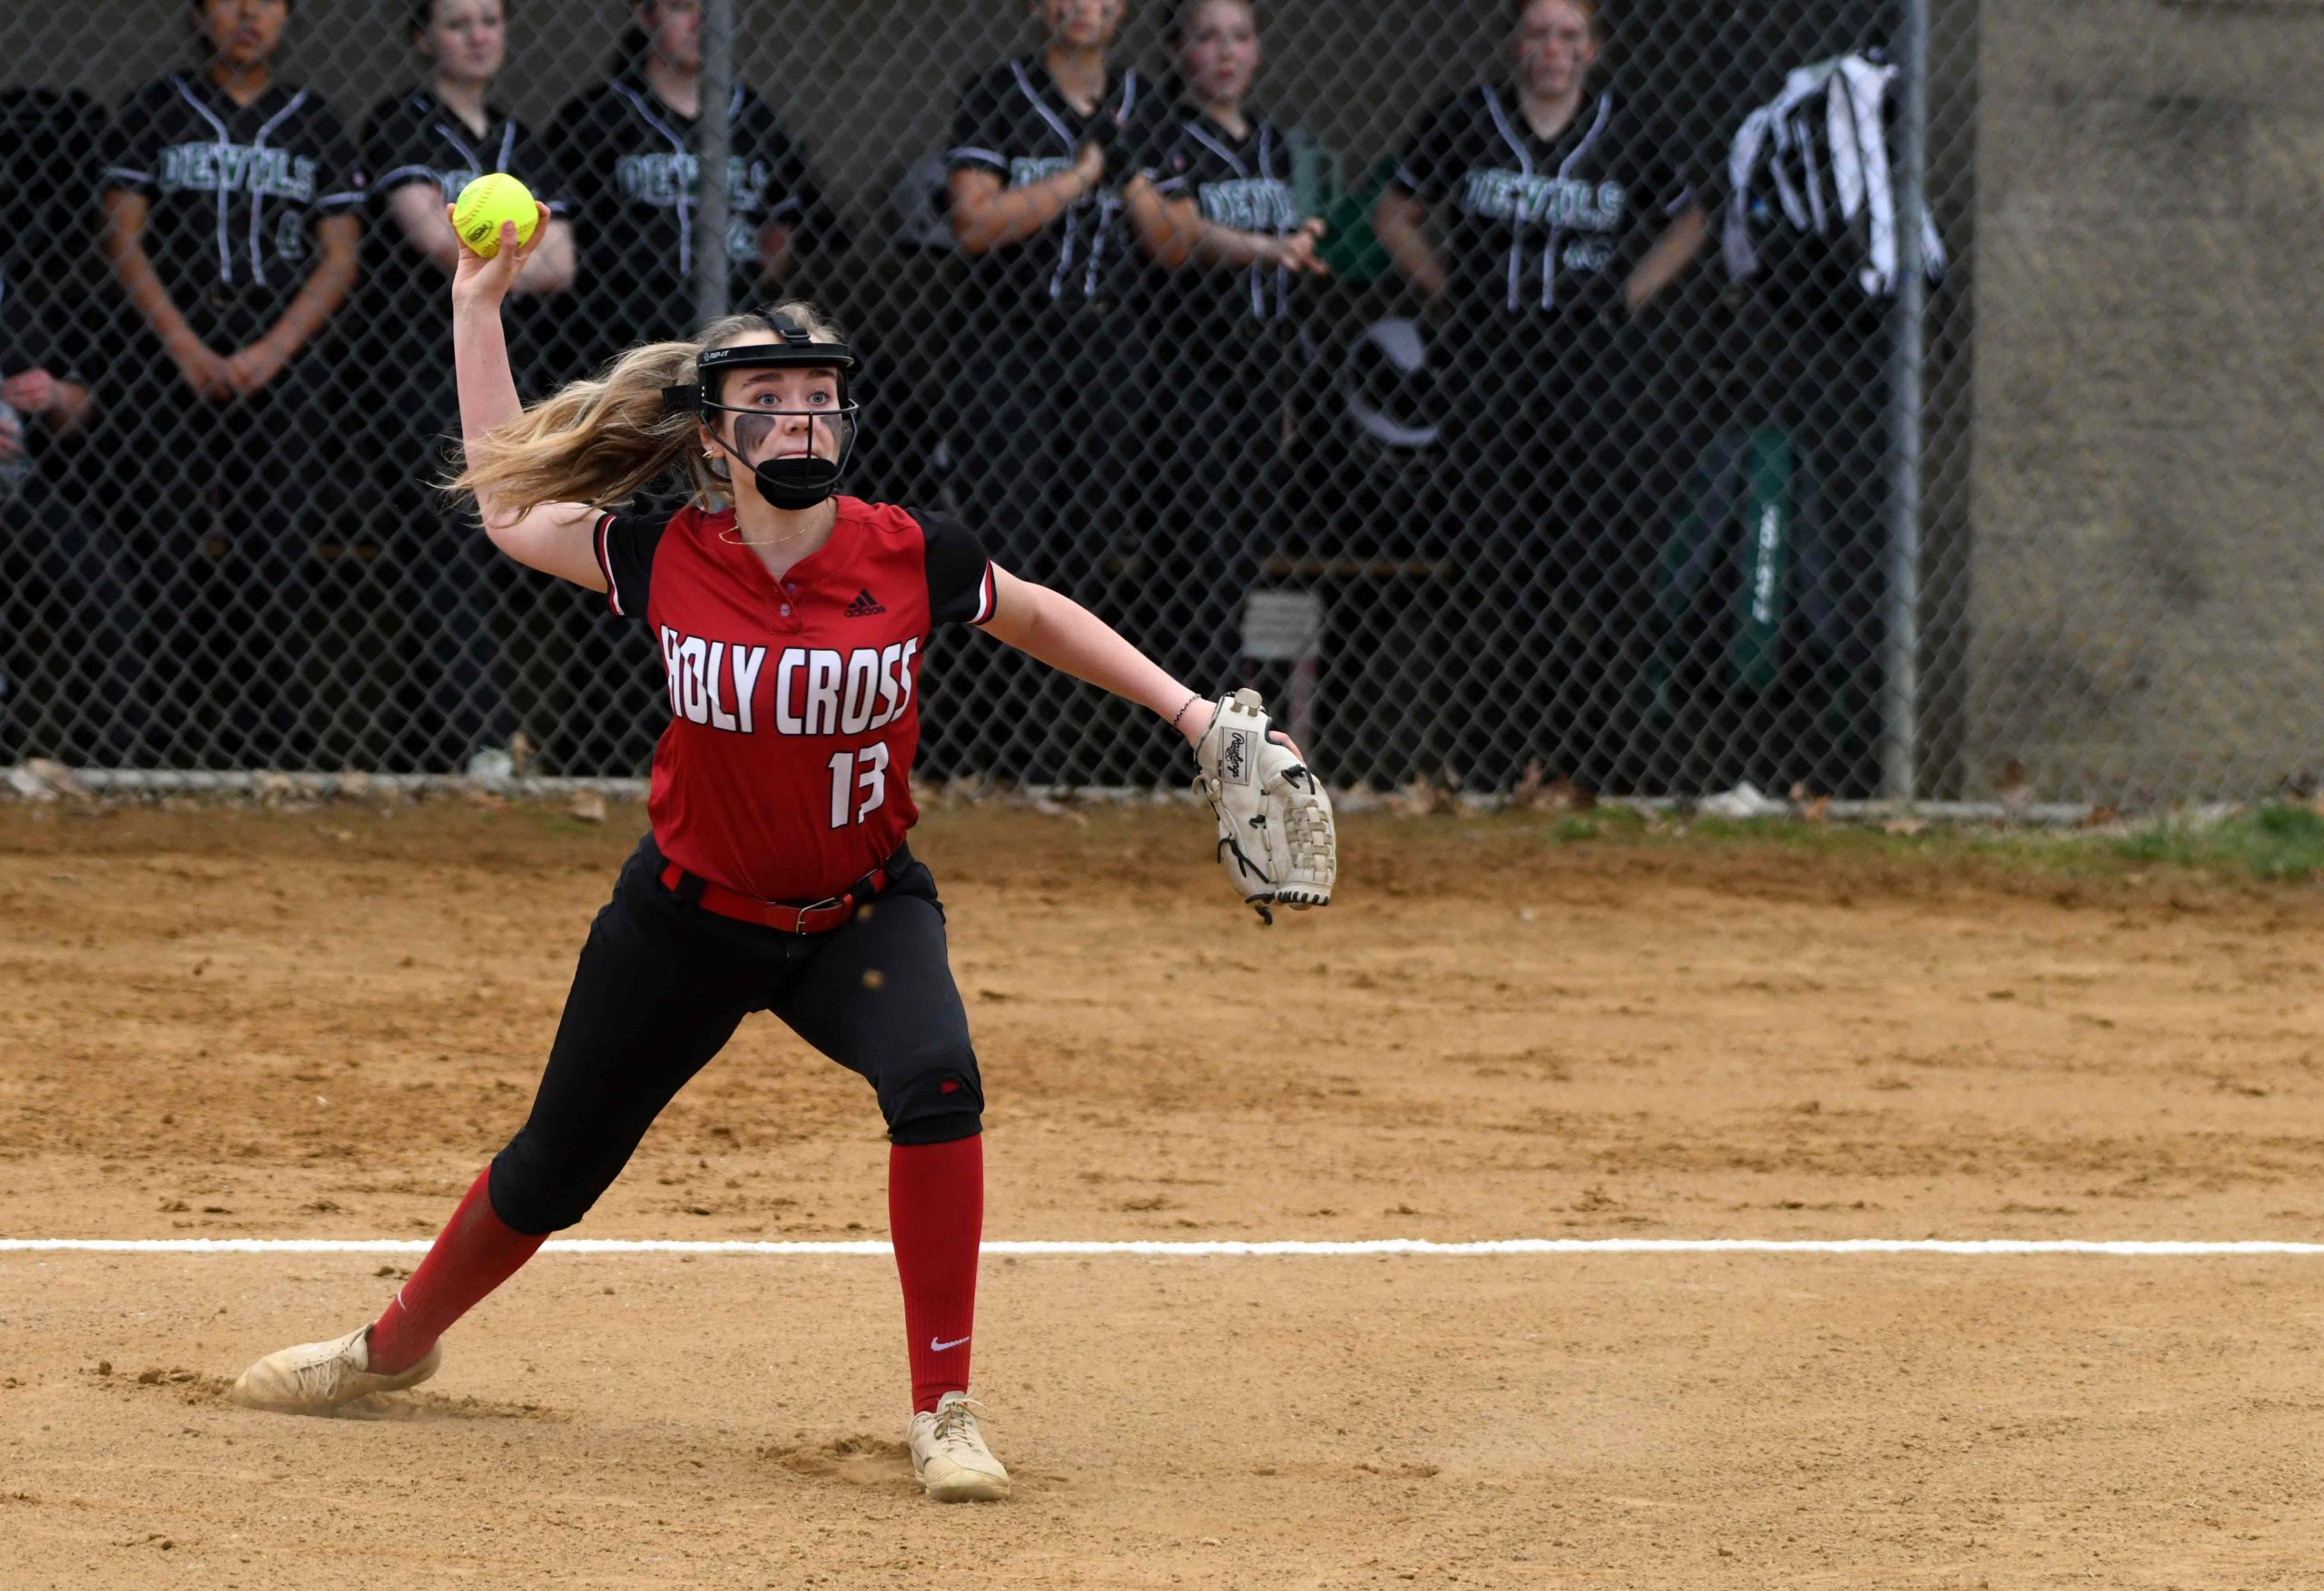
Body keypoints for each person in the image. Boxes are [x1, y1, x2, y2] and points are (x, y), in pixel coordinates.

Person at [222, 203, 1335, 1501]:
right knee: (553, 1168)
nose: (801, 418)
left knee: (939, 1084)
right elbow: (512, 511)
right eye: (768, 400)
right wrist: (477, 307)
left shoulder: (909, 551)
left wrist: (1194, 716)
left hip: (860, 915)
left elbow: (1038, 615)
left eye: (819, 398)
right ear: (716, 434)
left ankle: (945, 1409)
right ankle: (392, 1345)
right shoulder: (665, 555)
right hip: (684, 923)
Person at [1374, 0, 1707, 793]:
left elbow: (1690, 219)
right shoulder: (1467, 119)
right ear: (1515, 44)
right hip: (1490, 354)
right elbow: (1393, 213)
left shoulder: (1626, 128)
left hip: (1587, 360)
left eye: (1569, 35)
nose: (1553, 49)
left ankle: (1585, 760)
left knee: (1586, 556)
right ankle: (1488, 760)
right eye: (1538, 34)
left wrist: (1629, 294)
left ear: (1593, 48)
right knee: (1491, 553)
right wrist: (1446, 287)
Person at [541, 0, 832, 776]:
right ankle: (600, 747)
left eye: (713, 9)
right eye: (680, 6)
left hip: (735, 389)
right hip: (634, 368)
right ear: (645, 17)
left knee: (725, 546)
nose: (700, 21)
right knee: (630, 545)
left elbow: (787, 228)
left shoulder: (754, 117)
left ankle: (721, 733)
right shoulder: (598, 118)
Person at [98, 0, 362, 768]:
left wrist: (273, 349)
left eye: (268, 2)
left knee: (275, 547)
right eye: (230, 0)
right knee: (162, 539)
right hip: (165, 353)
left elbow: (340, 256)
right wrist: (182, 342)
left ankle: (272, 743)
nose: (249, 14)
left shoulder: (314, 119)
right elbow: (122, 236)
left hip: (279, 353)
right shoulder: (156, 108)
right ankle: (139, 741)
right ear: (197, 14)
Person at [933, 0, 1175, 783]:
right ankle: (983, 747)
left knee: (1086, 542)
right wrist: (1081, 177)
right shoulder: (999, 93)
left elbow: (1172, 242)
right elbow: (975, 222)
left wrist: (1126, 176)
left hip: (1109, 344)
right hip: (1009, 342)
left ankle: (1048, 752)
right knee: (1004, 539)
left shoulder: (1146, 103)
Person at [356, 0, 575, 774]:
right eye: (457, 23)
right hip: (416, 372)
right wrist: (516, 263)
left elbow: (566, 265)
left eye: (489, 20)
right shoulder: (402, 124)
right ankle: (483, 737)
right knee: (449, 545)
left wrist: (495, 265)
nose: (478, 35)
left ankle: (423, 745)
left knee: (479, 551)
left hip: (502, 370)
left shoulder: (520, 139)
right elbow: (429, 235)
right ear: (423, 38)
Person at [1123, 0, 1325, 766]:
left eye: (1239, 37)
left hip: (1261, 370)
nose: (1226, 52)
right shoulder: (1166, 134)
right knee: (1194, 557)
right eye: (1207, 37)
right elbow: (1180, 236)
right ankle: (1181, 741)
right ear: (1180, 49)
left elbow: (1289, 270)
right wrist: (1263, 247)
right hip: (1192, 367)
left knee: (1240, 559)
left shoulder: (1272, 141)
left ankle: (1219, 735)